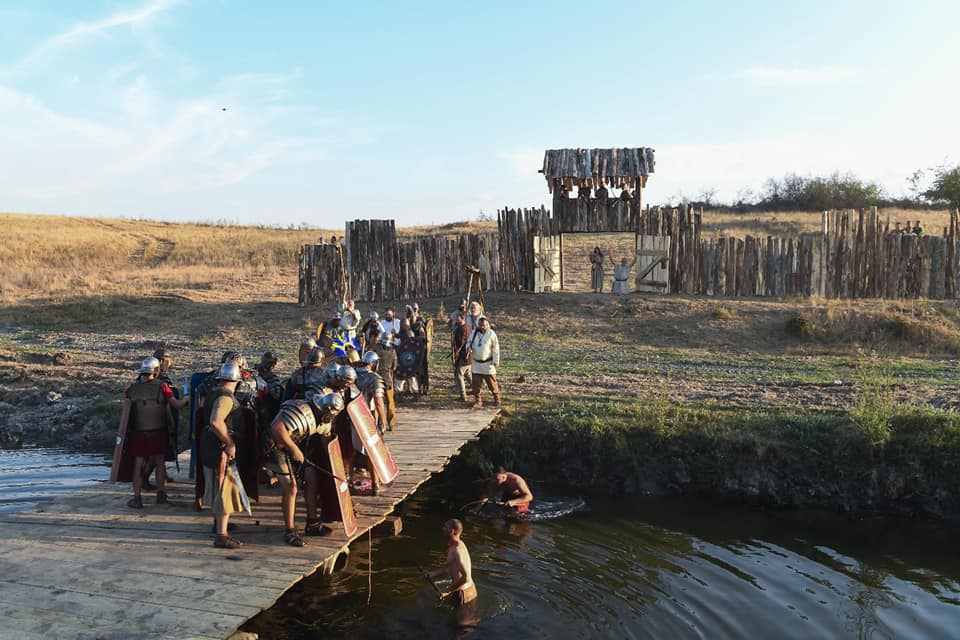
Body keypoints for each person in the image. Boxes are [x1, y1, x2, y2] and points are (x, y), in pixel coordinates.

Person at [267, 390, 344, 546]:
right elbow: (277, 428)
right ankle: (290, 531)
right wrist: (293, 449)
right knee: (291, 488)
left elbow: (326, 439)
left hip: (298, 446)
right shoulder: (301, 410)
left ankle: (312, 522)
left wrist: (334, 464)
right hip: (276, 447)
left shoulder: (323, 418)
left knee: (312, 477)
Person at [125, 357, 189, 509]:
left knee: (138, 463)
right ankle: (160, 495)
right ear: (156, 371)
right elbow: (177, 405)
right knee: (160, 462)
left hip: (139, 432)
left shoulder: (131, 389)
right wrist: (187, 399)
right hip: (158, 431)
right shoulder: (163, 387)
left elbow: (127, 411)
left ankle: (137, 498)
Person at [199, 363, 245, 549]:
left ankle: (218, 524)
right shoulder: (225, 398)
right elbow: (216, 421)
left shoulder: (213, 393)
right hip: (220, 449)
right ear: (235, 380)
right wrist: (229, 442)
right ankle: (221, 535)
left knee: (217, 487)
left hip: (210, 446)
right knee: (224, 490)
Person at [423, 519, 477, 607]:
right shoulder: (458, 545)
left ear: (451, 531)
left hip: (462, 593)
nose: (443, 529)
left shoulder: (456, 551)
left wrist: (447, 591)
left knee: (455, 620)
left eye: (445, 527)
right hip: (469, 589)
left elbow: (466, 577)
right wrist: (432, 574)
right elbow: (450, 567)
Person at [373, 332, 398, 430]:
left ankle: (377, 422)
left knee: (376, 402)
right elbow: (394, 367)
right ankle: (391, 423)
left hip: (376, 378)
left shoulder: (376, 349)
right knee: (390, 402)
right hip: (388, 378)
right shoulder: (393, 351)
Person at [451, 311, 472, 402]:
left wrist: (455, 353)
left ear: (462, 318)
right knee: (467, 372)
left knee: (459, 373)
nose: (456, 319)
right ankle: (476, 388)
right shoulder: (468, 327)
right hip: (469, 355)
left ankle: (463, 396)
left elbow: (460, 343)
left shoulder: (461, 329)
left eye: (457, 318)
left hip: (464, 355)